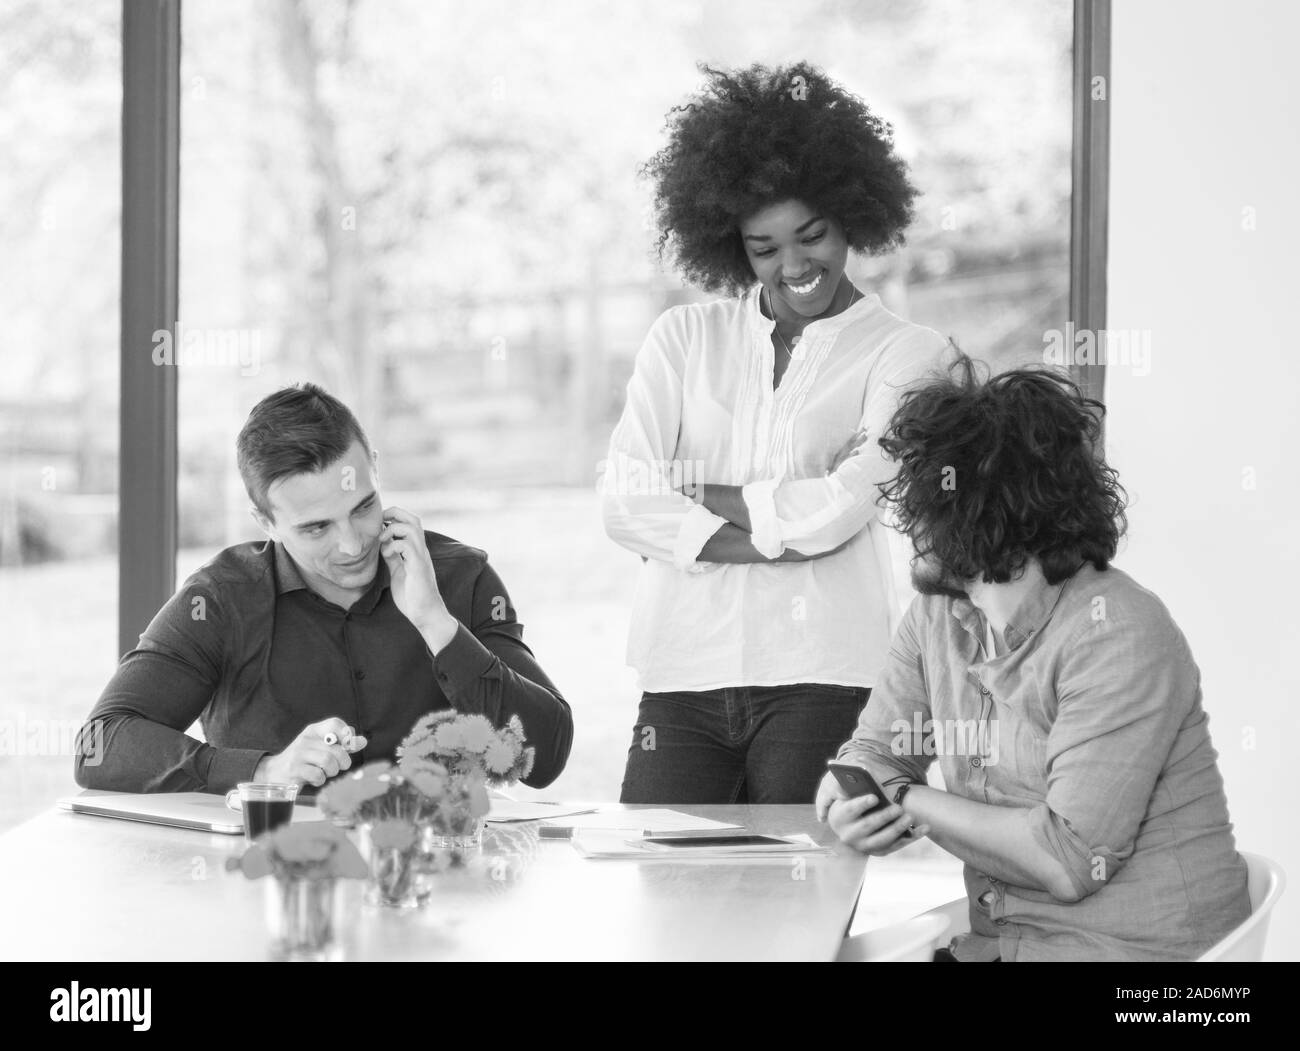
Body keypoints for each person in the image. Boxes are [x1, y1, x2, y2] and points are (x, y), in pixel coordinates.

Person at [816, 355, 1251, 961]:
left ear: (979, 513)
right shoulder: (938, 617)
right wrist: (850, 802)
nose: (904, 523)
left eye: (919, 503)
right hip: (1000, 948)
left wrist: (903, 800)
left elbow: (1068, 860)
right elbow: (876, 754)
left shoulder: (1116, 632)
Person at [602, 61, 949, 805]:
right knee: (662, 898)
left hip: (823, 678)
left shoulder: (910, 353)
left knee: (803, 910)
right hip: (682, 673)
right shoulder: (684, 337)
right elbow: (624, 502)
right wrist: (782, 519)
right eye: (764, 247)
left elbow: (839, 514)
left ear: (851, 214)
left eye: (811, 234)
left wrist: (691, 492)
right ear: (733, 246)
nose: (793, 265)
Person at [75, 383, 572, 794]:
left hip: (441, 880)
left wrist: (436, 624)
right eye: (316, 528)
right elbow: (100, 744)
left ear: (374, 467)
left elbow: (546, 755)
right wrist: (264, 771)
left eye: (363, 507)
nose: (353, 544)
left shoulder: (460, 578)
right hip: (273, 883)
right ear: (265, 522)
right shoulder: (220, 601)